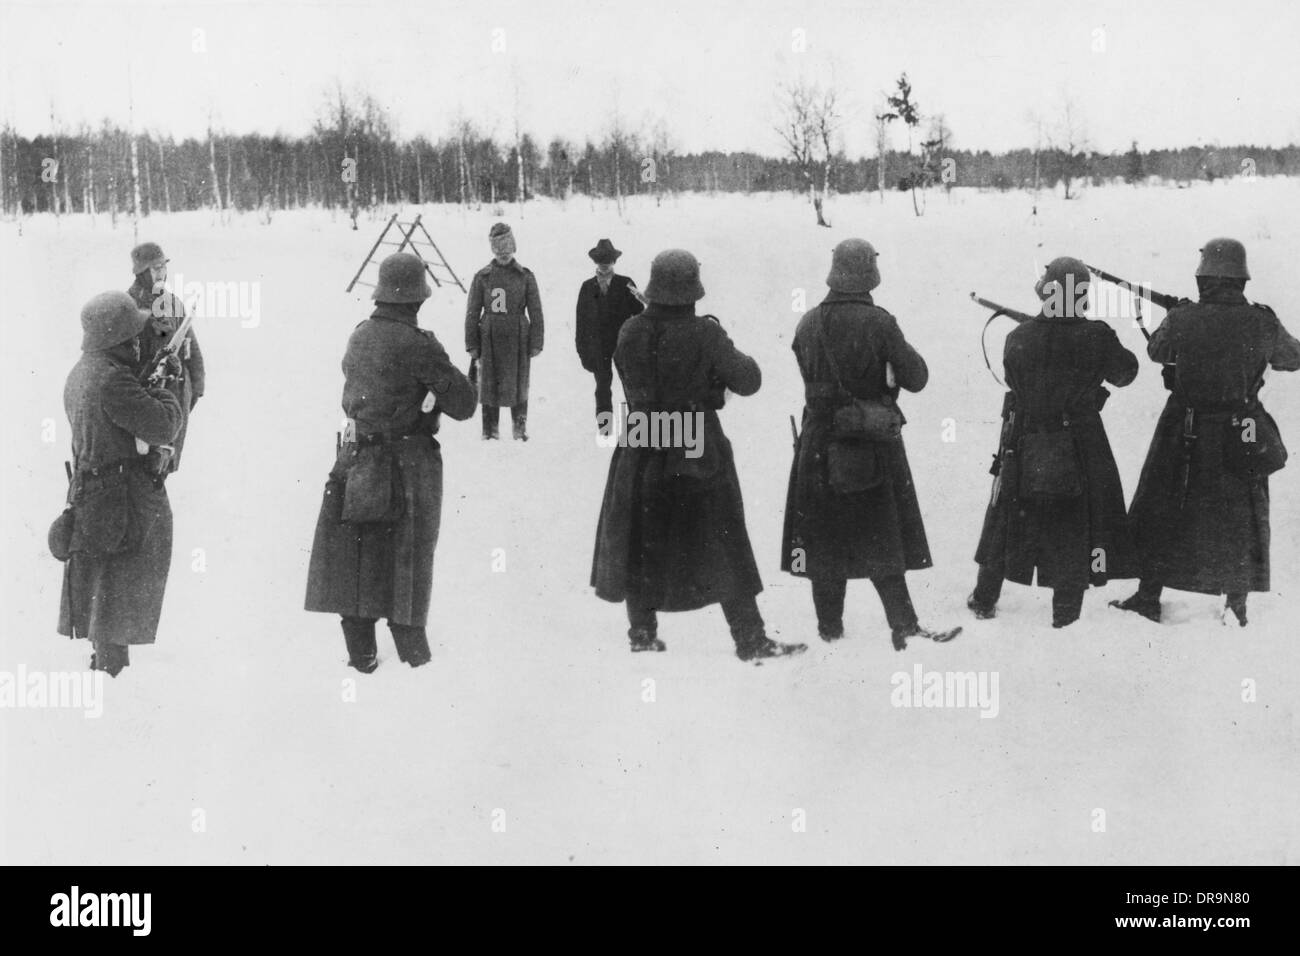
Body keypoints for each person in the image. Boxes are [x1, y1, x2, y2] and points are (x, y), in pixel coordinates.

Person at [591, 249, 805, 663]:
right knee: (724, 540)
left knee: (640, 537)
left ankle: (641, 633)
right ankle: (750, 638)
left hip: (642, 441)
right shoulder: (705, 333)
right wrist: (715, 354)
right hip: (694, 445)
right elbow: (749, 380)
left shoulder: (630, 330)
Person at [781, 239, 960, 651]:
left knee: (823, 537)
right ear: (870, 274)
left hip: (818, 443)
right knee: (882, 534)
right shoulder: (880, 322)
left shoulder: (807, 322)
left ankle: (830, 630)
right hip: (871, 443)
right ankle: (904, 624)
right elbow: (917, 378)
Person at [1112, 238, 1299, 626]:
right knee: (1242, 515)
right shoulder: (1263, 321)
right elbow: (1293, 357)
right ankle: (1236, 604)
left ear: (1204, 278)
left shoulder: (1184, 318)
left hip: (1184, 426)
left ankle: (1148, 596)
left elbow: (1157, 351)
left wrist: (1179, 317)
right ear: (1240, 279)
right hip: (1242, 430)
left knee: (1161, 505)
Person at [305, 253, 478, 671]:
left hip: (356, 458)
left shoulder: (359, 335)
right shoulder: (419, 344)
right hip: (406, 464)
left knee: (358, 557)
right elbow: (464, 404)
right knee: (408, 559)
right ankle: (414, 663)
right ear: (417, 299)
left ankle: (362, 656)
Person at [969, 256, 1140, 628]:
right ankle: (1065, 617)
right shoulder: (1097, 336)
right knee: (1076, 526)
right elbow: (1126, 373)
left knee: (1007, 519)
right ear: (1082, 295)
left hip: (1024, 438)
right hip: (1081, 442)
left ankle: (984, 598)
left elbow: (1014, 379)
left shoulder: (1018, 337)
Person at [57, 291, 184, 677]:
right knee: (119, 594)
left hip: (93, 496)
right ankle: (112, 678)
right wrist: (165, 387)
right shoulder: (114, 379)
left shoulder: (82, 372)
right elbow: (163, 426)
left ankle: (107, 670)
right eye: (132, 335)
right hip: (122, 501)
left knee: (104, 590)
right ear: (117, 338)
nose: (137, 341)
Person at [127, 242, 205, 475]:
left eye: (163, 267)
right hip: (147, 400)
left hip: (176, 396)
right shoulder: (128, 306)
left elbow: (191, 346)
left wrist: (195, 387)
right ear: (142, 272)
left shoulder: (172, 303)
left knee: (164, 465)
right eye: (155, 268)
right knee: (144, 467)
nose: (162, 273)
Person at [465, 222, 544, 440]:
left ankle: (520, 429)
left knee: (519, 384)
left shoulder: (525, 276)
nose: (503, 254)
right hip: (489, 338)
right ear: (493, 249)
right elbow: (472, 312)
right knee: (488, 384)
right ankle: (490, 432)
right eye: (498, 249)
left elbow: (536, 312)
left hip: (518, 338)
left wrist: (536, 342)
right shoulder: (483, 276)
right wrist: (472, 344)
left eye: (507, 248)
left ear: (514, 247)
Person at [575, 238, 645, 430]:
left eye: (608, 261)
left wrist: (637, 341)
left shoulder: (625, 283)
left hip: (624, 344)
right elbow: (581, 321)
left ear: (614, 261)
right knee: (602, 387)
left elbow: (640, 313)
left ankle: (636, 427)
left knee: (631, 385)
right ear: (595, 262)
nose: (604, 265)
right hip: (598, 346)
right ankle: (605, 427)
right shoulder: (587, 287)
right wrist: (582, 351)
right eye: (601, 261)